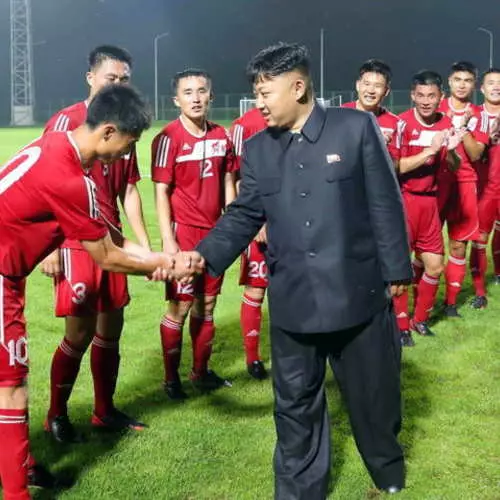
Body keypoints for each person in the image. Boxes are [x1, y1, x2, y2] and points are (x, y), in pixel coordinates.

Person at [178, 42, 412, 499]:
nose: (258, 103)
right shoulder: (258, 148)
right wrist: (202, 256)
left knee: (374, 399)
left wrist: (396, 270)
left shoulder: (355, 128)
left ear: (298, 86)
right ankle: (301, 490)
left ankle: (387, 468)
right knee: (294, 407)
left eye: (266, 92)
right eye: (256, 92)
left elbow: (385, 203)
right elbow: (244, 214)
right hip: (293, 304)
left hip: (357, 296)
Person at [0, 85, 178, 500]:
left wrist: (159, 258)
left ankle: (19, 462)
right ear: (110, 132)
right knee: (12, 385)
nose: (124, 156)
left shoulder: (57, 144)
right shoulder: (69, 179)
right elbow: (107, 257)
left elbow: (110, 236)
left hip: (8, 274)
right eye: (128, 145)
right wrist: (162, 264)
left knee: (10, 380)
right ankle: (16, 492)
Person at [39, 45, 152, 443]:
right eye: (111, 78)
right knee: (78, 333)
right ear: (91, 77)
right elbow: (44, 188)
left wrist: (144, 244)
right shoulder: (65, 123)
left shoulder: (126, 124)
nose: (118, 85)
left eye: (124, 79)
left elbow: (131, 190)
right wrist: (50, 249)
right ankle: (56, 414)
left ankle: (104, 411)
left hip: (112, 240)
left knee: (111, 329)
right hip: (74, 241)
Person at [151, 69, 237, 400]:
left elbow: (228, 182)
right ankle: (171, 379)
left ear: (211, 96)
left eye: (202, 91)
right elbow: (161, 192)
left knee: (208, 304)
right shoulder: (167, 138)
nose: (196, 97)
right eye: (188, 92)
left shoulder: (221, 136)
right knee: (180, 306)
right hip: (183, 233)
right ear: (177, 100)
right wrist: (168, 240)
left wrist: (233, 226)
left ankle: (200, 372)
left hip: (216, 234)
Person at [392, 71, 462, 346]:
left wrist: (453, 150)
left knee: (435, 266)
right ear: (412, 95)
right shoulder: (402, 124)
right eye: (420, 95)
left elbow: (453, 166)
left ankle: (419, 320)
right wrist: (429, 152)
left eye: (431, 96)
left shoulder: (445, 124)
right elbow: (396, 167)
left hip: (430, 203)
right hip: (404, 201)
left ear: (440, 98)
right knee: (399, 269)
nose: (425, 101)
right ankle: (400, 327)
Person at [436, 62, 489, 316]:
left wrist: (463, 126)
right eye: (457, 79)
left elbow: (476, 153)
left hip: (465, 183)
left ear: (474, 84)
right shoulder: (435, 107)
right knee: (424, 246)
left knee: (458, 245)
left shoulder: (479, 114)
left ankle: (450, 303)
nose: (462, 84)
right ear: (449, 81)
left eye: (467, 80)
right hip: (435, 183)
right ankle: (415, 308)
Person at [230, 108, 269, 379]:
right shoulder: (244, 125)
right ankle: (253, 358)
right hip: (260, 222)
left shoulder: (301, 118)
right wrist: (255, 221)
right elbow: (236, 177)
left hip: (296, 222)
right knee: (256, 289)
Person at [470, 69, 500, 307]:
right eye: (491, 83)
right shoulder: (474, 115)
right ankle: (479, 292)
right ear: (482, 88)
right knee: (480, 239)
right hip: (483, 189)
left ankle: (498, 274)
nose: (496, 87)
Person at [343, 59, 401, 161]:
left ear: (386, 91)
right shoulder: (340, 114)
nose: (370, 90)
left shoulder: (395, 123)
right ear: (358, 85)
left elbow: (395, 167)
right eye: (366, 84)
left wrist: (381, 149)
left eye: (377, 86)